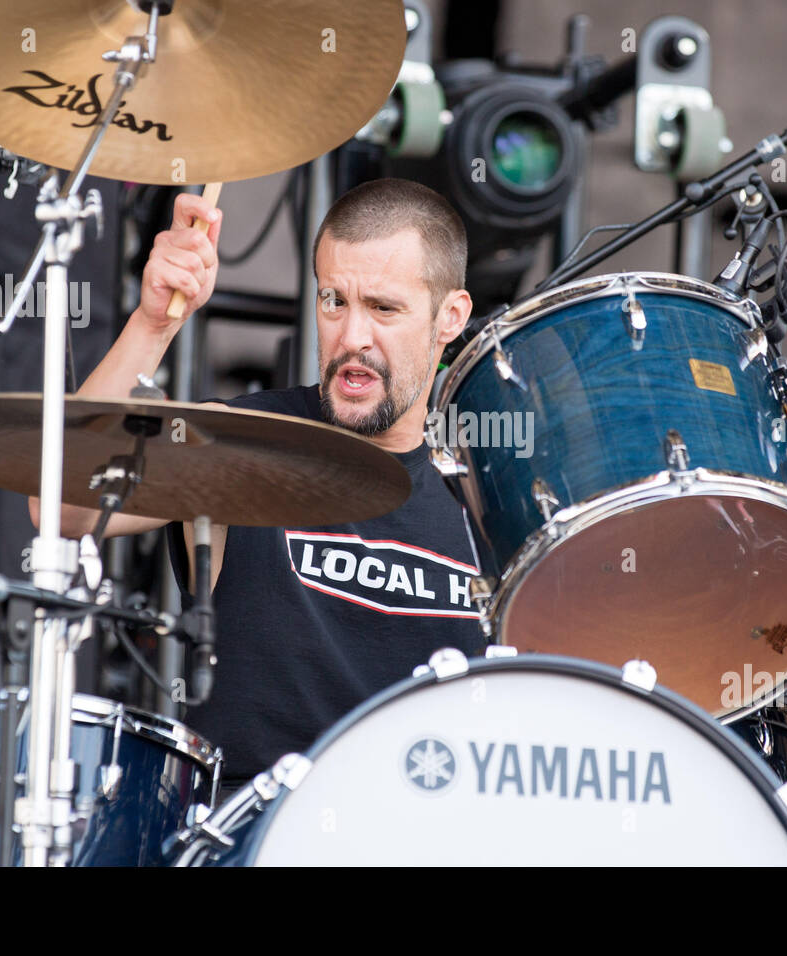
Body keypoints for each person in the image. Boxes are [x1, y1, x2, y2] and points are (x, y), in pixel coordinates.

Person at [30, 177, 487, 790]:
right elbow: (62, 505)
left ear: (450, 317)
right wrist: (153, 323)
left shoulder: (487, 504)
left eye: (383, 308)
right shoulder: (244, 436)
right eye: (333, 302)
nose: (352, 337)